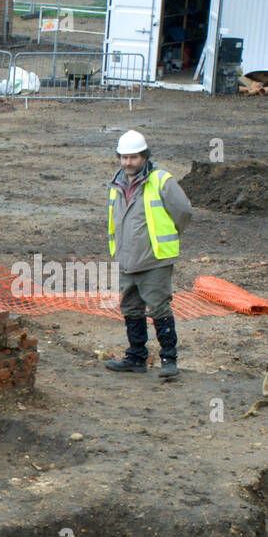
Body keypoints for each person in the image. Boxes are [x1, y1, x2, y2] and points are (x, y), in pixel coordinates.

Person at [105, 129, 193, 379]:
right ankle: (136, 357)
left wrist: (170, 236)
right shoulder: (117, 183)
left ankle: (169, 359)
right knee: (131, 309)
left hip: (154, 260)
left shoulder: (161, 180)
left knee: (159, 309)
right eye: (123, 157)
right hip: (126, 260)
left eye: (133, 157)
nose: (127, 162)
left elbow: (183, 212)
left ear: (144, 156)